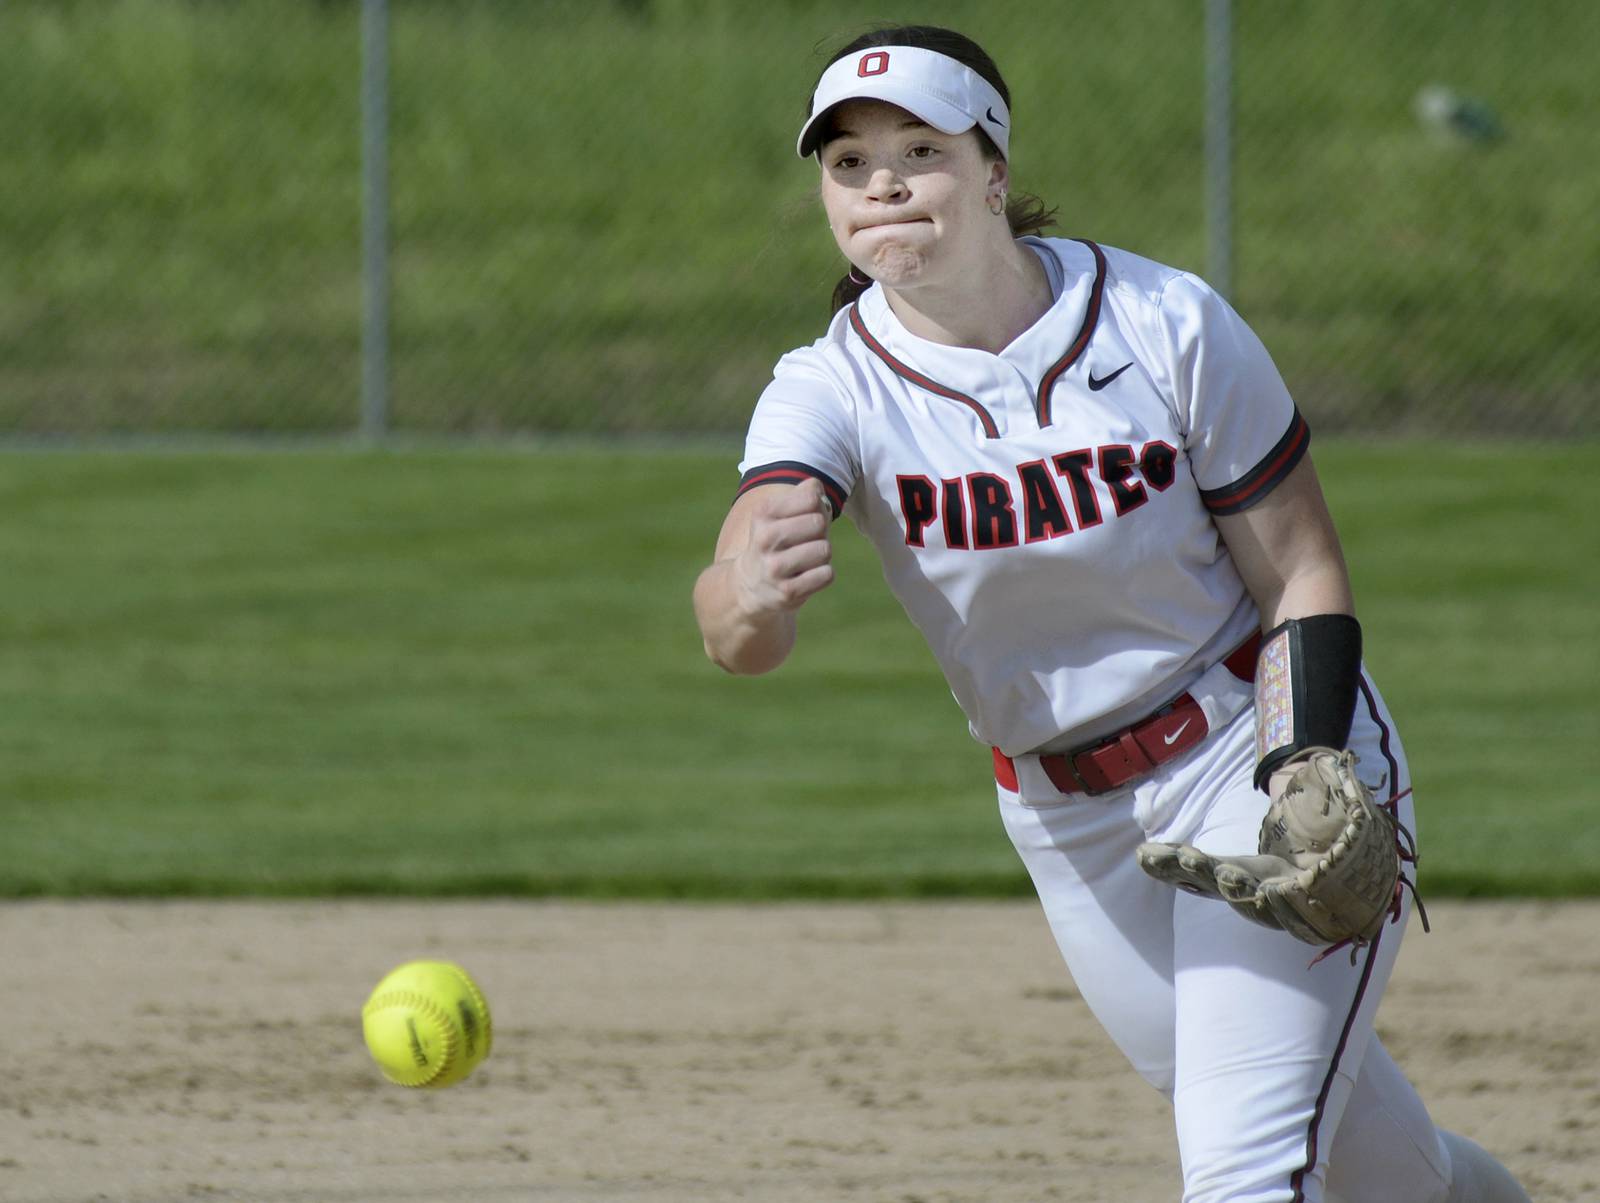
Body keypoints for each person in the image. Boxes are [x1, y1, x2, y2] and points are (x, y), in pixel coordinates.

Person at [692, 24, 1532, 1203]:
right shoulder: (828, 386)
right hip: (1068, 828)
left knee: (1241, 1172)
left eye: (918, 149)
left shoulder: (1161, 322)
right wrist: (744, 591)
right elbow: (739, 626)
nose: (880, 182)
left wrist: (1302, 769)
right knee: (1381, 1177)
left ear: (992, 171)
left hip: (1249, 756)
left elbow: (1299, 570)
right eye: (846, 162)